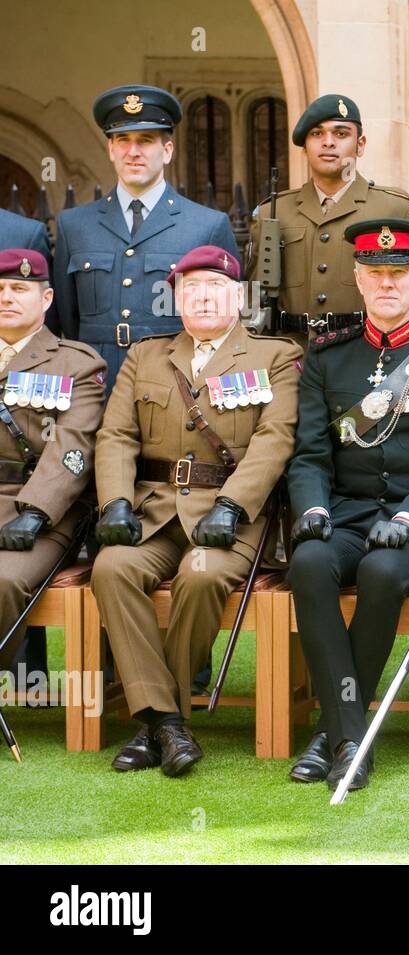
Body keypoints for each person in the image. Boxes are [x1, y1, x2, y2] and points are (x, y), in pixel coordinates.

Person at [286, 218, 409, 792]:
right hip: (344, 515)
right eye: (376, 273)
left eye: (400, 273)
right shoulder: (328, 358)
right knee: (309, 563)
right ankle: (350, 737)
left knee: (381, 569)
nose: (387, 284)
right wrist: (314, 510)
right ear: (358, 279)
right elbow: (310, 456)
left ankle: (334, 734)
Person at [92, 246, 300, 776]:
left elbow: (274, 439)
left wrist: (233, 504)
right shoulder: (146, 355)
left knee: (200, 576)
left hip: (231, 516)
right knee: (112, 568)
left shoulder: (273, 356)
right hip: (156, 511)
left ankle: (157, 722)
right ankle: (166, 722)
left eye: (213, 287)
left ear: (238, 296)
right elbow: (116, 434)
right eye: (190, 289)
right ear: (176, 298)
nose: (202, 297)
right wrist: (115, 500)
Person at [52, 85, 239, 394]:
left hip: (175, 383)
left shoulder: (207, 225)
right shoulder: (74, 225)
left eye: (146, 140)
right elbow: (65, 317)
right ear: (111, 150)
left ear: (167, 151)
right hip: (95, 383)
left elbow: (226, 320)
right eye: (123, 140)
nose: (133, 151)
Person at [247, 94, 409, 344]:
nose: (328, 143)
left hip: (368, 354)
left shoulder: (394, 208)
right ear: (305, 147)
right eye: (317, 134)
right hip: (292, 357)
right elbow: (252, 298)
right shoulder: (273, 212)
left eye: (340, 134)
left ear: (360, 144)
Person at [0, 249, 105, 674]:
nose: (6, 297)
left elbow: (73, 448)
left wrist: (36, 513)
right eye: (0, 289)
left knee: (3, 582)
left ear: (45, 299)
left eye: (19, 289)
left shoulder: (76, 364)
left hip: (38, 510)